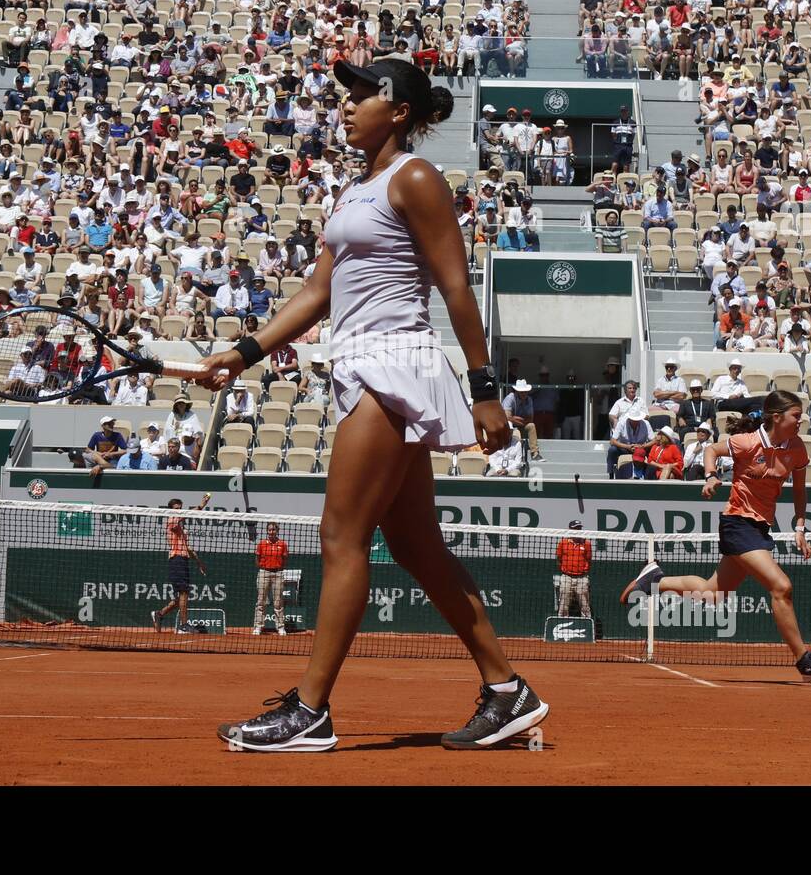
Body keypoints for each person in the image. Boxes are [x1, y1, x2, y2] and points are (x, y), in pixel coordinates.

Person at [200, 57, 547, 752]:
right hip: (359, 362)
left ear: (398, 112)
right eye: (346, 96)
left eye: (362, 96)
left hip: (393, 365)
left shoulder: (414, 178)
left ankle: (310, 711)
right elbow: (316, 295)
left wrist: (485, 391)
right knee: (415, 545)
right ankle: (508, 692)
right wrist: (242, 354)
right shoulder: (354, 190)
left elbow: (456, 288)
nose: (346, 106)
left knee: (341, 538)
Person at [619, 391, 811, 681]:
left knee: (713, 594)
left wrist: (799, 527)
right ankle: (804, 660)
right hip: (737, 523)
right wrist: (712, 476)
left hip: (760, 526)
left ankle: (655, 581)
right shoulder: (747, 442)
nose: (801, 421)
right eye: (796, 416)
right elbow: (711, 450)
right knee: (781, 586)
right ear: (777, 417)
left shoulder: (797, 448)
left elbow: (799, 489)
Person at [152, 494, 211, 635]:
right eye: (176, 509)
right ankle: (184, 626)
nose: (179, 510)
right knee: (184, 592)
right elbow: (183, 516)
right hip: (176, 559)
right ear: (171, 510)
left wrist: (199, 563)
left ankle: (159, 614)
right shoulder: (172, 520)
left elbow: (188, 548)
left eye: (180, 508)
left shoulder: (182, 529)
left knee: (181, 597)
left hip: (183, 559)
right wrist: (201, 506)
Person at [252, 521, 288, 636]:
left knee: (278, 602)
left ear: (277, 531)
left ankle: (280, 627)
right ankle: (258, 626)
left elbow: (285, 559)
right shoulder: (262, 544)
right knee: (261, 601)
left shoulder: (282, 544)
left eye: (273, 530)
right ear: (267, 531)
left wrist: (278, 569)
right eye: (269, 530)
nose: (271, 532)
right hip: (264, 573)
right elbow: (257, 558)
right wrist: (263, 568)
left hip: (278, 574)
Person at [554, 519, 592, 618]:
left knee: (585, 604)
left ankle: (587, 624)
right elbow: (559, 558)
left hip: (582, 578)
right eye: (576, 528)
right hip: (567, 577)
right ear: (570, 529)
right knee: (563, 602)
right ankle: (561, 622)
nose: (578, 530)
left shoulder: (586, 543)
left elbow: (588, 559)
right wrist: (564, 570)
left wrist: (583, 571)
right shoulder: (563, 543)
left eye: (579, 528)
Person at [502, 378, 544, 461]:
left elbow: (531, 419)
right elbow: (507, 417)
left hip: (520, 424)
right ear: (517, 391)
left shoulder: (529, 400)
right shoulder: (510, 398)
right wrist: (521, 420)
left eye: (525, 391)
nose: (524, 394)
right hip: (508, 426)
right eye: (522, 392)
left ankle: (535, 453)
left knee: (531, 426)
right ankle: (517, 456)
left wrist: (515, 418)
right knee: (512, 427)